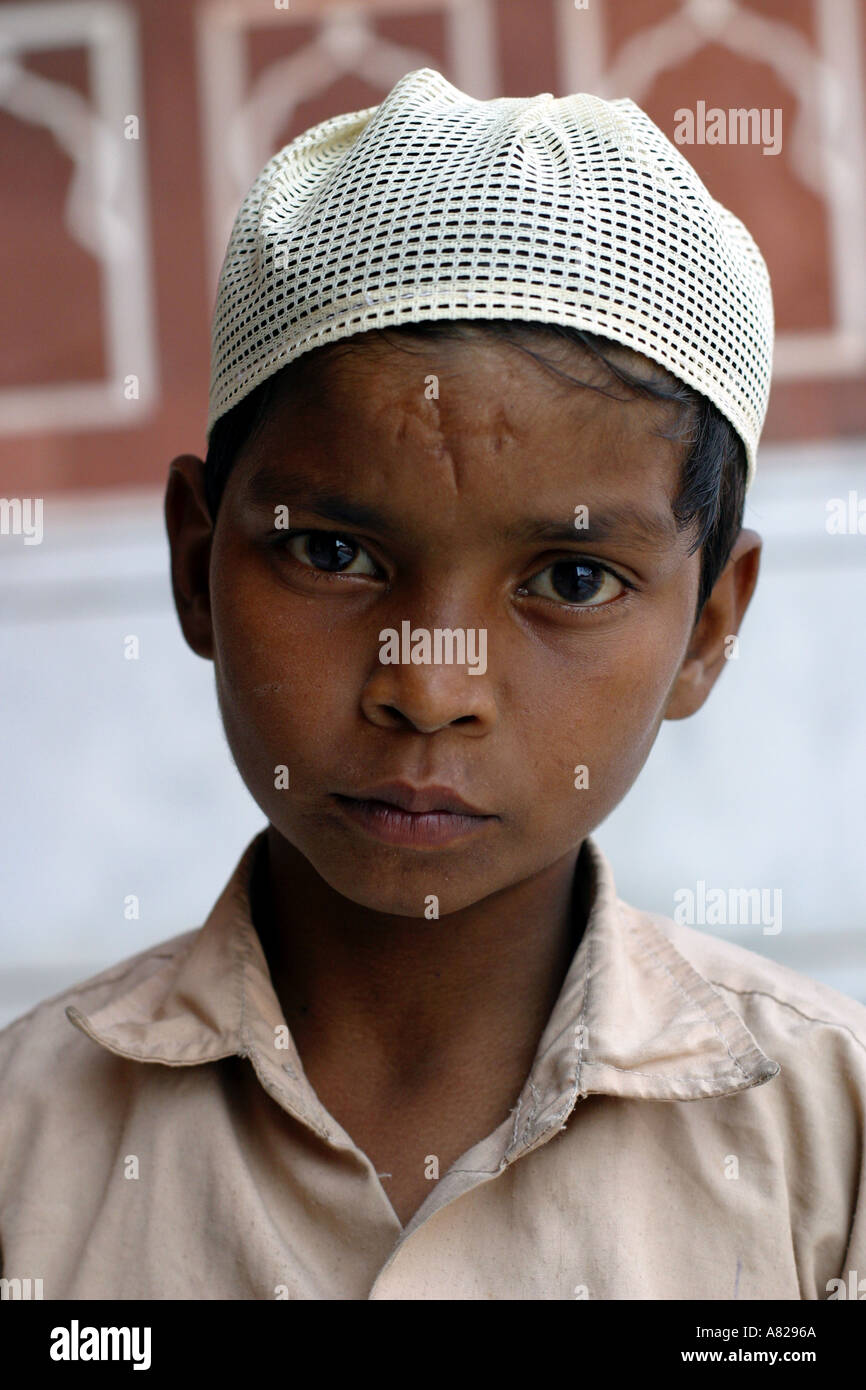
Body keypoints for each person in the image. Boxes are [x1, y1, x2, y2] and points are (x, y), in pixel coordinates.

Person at [1, 68, 864, 1301]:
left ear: (708, 627)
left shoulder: (828, 1160)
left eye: (568, 579)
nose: (430, 688)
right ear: (199, 564)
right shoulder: (26, 1166)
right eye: (333, 553)